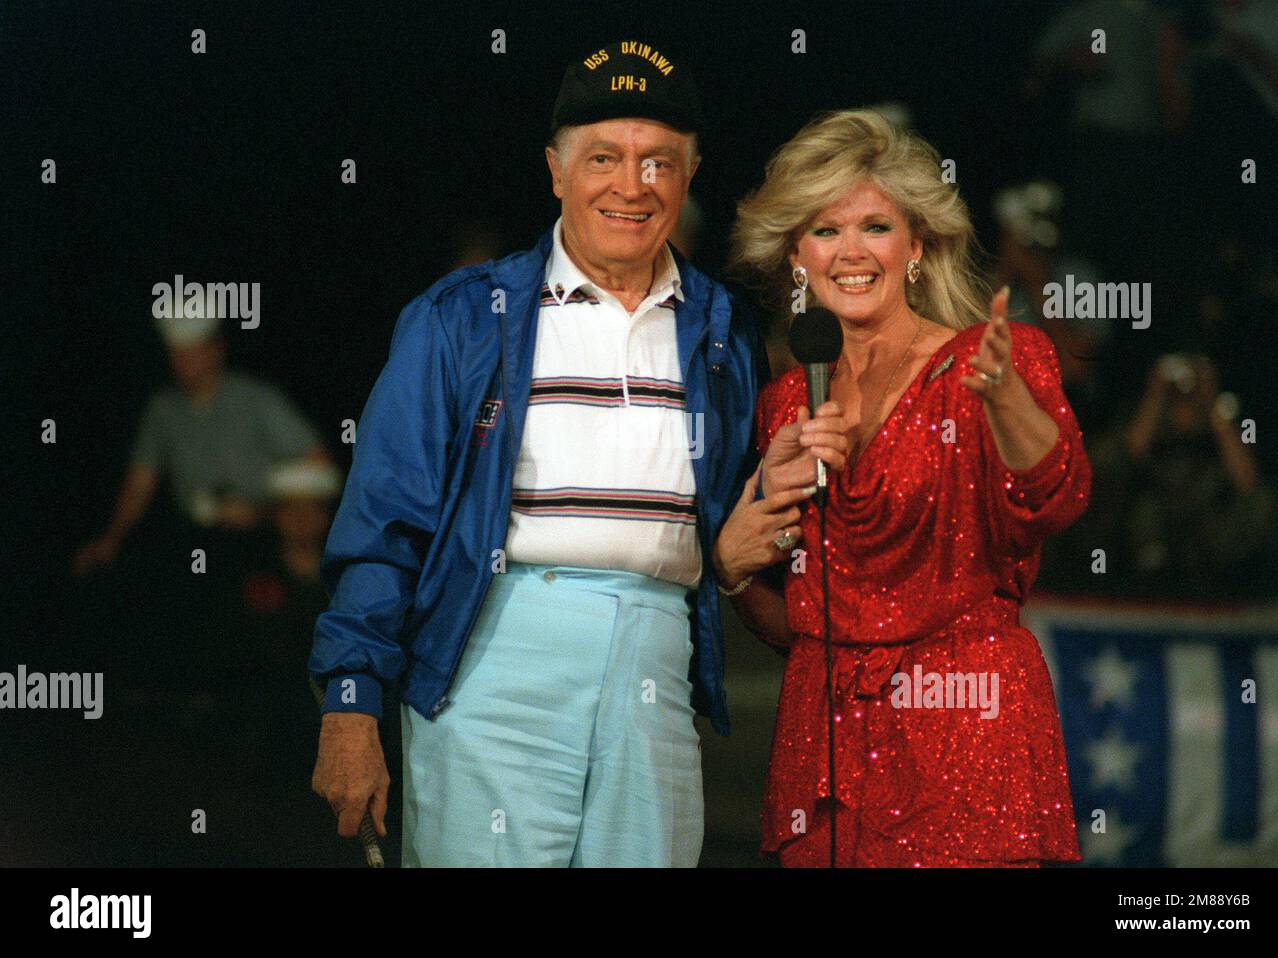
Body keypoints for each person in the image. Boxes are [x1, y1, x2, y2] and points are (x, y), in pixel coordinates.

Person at [308, 39, 785, 867]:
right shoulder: (462, 317)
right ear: (556, 170)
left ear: (691, 172)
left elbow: (743, 517)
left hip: (655, 668)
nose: (631, 186)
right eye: (603, 157)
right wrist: (351, 701)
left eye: (658, 162)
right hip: (494, 666)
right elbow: (386, 523)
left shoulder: (725, 331)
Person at [715, 109, 1092, 867]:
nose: (850, 252)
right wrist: (730, 567)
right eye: (825, 231)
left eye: (875, 227)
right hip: (822, 748)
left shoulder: (988, 363)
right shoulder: (788, 401)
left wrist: (1005, 396)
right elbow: (795, 617)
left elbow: (1054, 494)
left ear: (917, 245)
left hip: (962, 739)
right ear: (796, 255)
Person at [71, 308, 332, 576]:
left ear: (216, 349)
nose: (183, 363)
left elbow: (317, 460)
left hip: (261, 535)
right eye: (176, 354)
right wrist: (112, 538)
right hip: (192, 538)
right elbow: (140, 482)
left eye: (191, 352)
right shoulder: (162, 409)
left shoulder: (256, 397)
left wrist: (265, 509)